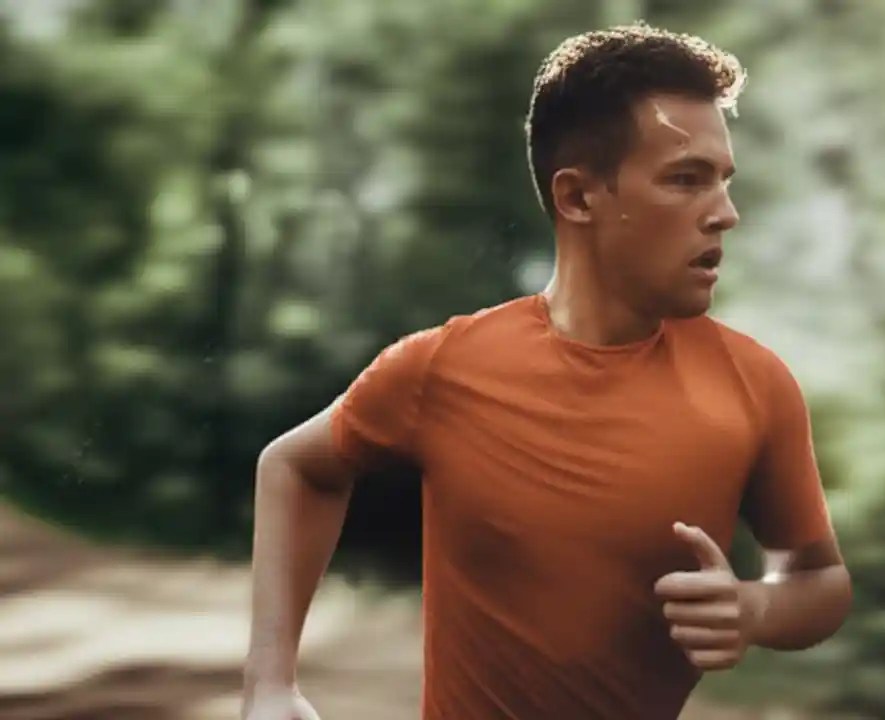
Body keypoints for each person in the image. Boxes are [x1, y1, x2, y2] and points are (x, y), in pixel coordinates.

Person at [241, 22, 852, 720]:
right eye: (686, 180)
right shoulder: (445, 367)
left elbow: (820, 580)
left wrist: (754, 609)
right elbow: (294, 466)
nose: (725, 215)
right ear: (578, 198)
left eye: (723, 180)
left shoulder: (754, 384)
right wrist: (270, 684)